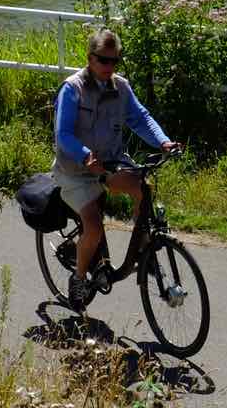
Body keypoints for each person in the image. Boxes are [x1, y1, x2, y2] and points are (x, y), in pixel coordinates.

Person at [52, 29, 180, 311]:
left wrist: (164, 142)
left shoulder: (120, 87)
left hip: (110, 163)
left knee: (142, 188)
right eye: (103, 61)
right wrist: (86, 157)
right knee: (95, 227)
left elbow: (140, 118)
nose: (109, 67)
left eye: (115, 61)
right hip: (76, 170)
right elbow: (62, 135)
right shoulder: (72, 89)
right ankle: (79, 278)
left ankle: (144, 251)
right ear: (90, 58)